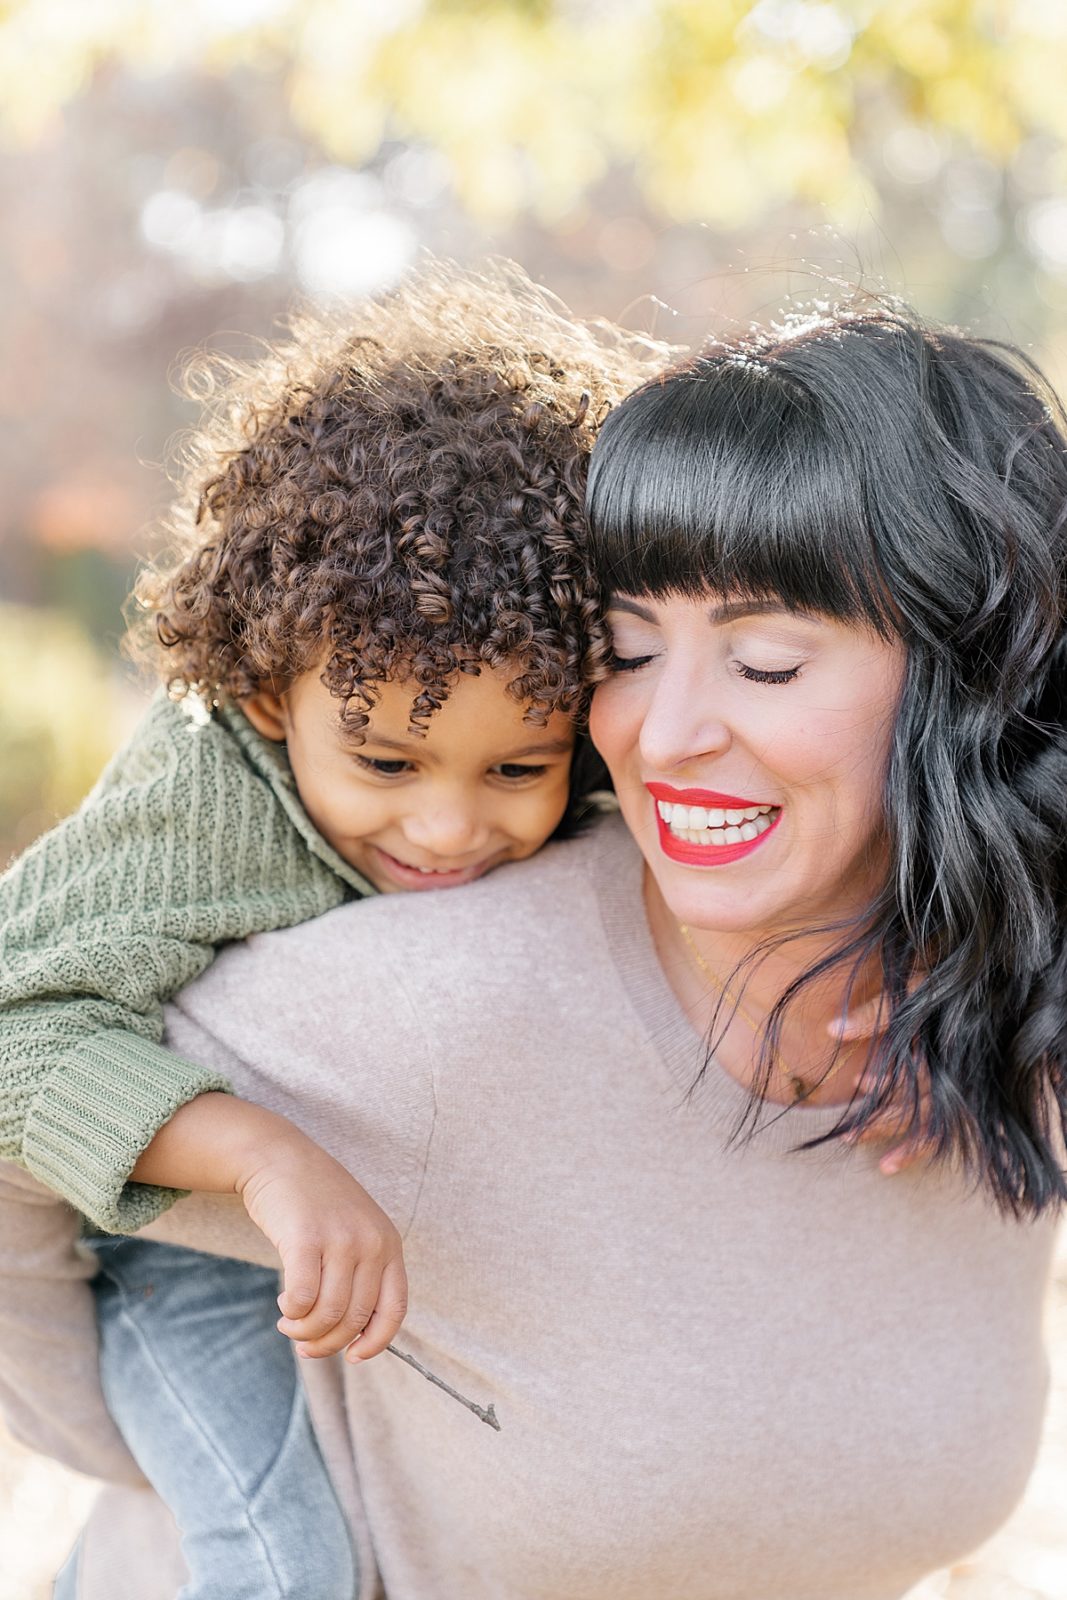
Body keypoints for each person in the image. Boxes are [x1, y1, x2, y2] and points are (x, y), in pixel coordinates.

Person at [4, 297, 1064, 1600]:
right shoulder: (413, 990)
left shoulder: (989, 1001)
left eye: (768, 664)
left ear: (977, 677)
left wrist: (962, 968)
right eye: (625, 649)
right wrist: (194, 1436)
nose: (663, 734)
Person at [0, 258, 669, 1599]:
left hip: (442, 1257)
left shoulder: (602, 798)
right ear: (262, 692)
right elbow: (18, 1026)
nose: (446, 829)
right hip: (193, 1261)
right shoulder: (199, 801)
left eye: (515, 771)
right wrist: (259, 1160)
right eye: (385, 765)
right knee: (283, 1563)